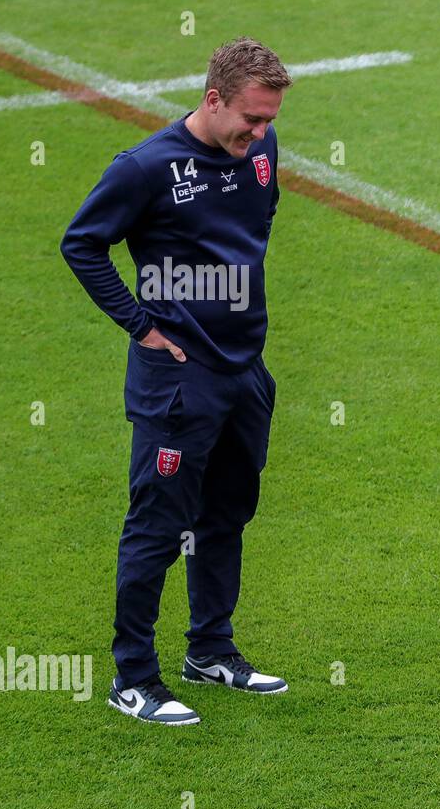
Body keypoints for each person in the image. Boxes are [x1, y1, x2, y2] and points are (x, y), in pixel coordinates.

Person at [61, 37, 292, 726]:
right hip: (178, 382)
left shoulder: (261, 152)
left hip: (246, 371)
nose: (259, 135)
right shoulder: (145, 168)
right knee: (158, 528)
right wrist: (141, 325)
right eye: (250, 120)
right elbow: (83, 242)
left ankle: (210, 651)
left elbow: (256, 224)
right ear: (212, 98)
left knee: (227, 515)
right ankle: (133, 679)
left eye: (270, 122)